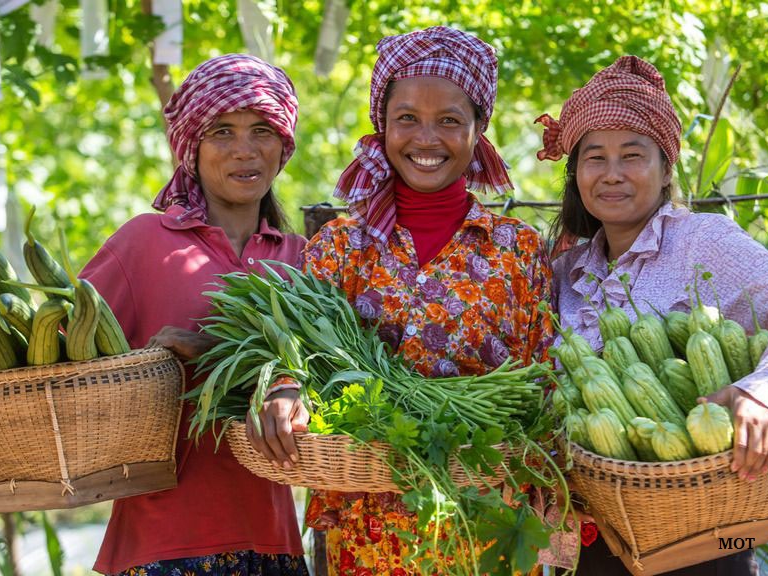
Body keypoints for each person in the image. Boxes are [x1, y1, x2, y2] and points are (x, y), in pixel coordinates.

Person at [245, 26, 555, 574]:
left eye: (450, 121)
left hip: (487, 522)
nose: (426, 138)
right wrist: (285, 386)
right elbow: (297, 355)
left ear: (479, 131)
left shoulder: (519, 250)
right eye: (407, 118)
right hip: (369, 529)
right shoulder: (340, 246)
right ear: (382, 127)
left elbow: (545, 385)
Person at [537, 55, 768, 575]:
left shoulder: (702, 242)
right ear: (576, 171)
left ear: (667, 166)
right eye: (594, 157)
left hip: (699, 537)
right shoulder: (566, 270)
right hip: (589, 542)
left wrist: (765, 392)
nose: (612, 174)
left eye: (633, 155)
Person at [80, 54, 309, 576]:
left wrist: (230, 358)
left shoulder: (302, 259)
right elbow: (61, 361)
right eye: (222, 131)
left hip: (274, 544)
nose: (245, 150)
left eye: (262, 130)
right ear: (192, 146)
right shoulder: (141, 244)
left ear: (284, 144)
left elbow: (332, 385)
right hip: (160, 542)